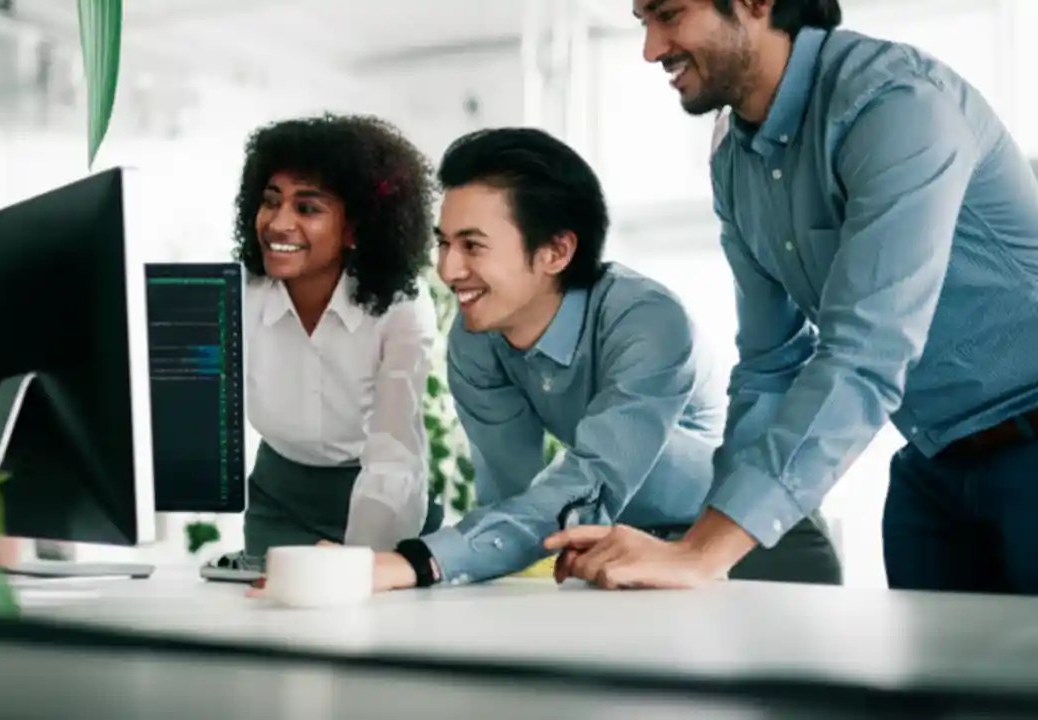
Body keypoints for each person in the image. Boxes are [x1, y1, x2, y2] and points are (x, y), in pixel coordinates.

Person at [549, 0, 1038, 594]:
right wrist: (701, 547)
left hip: (1028, 440)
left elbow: (867, 352)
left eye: (669, 15)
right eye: (643, 23)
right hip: (933, 460)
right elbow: (770, 367)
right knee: (934, 685)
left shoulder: (898, 103)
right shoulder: (733, 161)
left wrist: (705, 550)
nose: (651, 48)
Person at [361, 127, 840, 592]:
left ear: (556, 251)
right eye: (443, 243)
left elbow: (589, 484)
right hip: (624, 551)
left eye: (472, 246)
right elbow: (512, 496)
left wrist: (417, 561)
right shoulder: (476, 340)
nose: (447, 269)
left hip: (754, 540)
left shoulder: (647, 321)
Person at [229, 114, 441, 561]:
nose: (278, 223)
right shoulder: (239, 294)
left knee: (375, 623)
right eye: (271, 201)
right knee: (271, 627)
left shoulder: (400, 306)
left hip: (384, 490)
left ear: (355, 228)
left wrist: (362, 562)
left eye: (307, 208)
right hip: (278, 494)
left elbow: (394, 452)